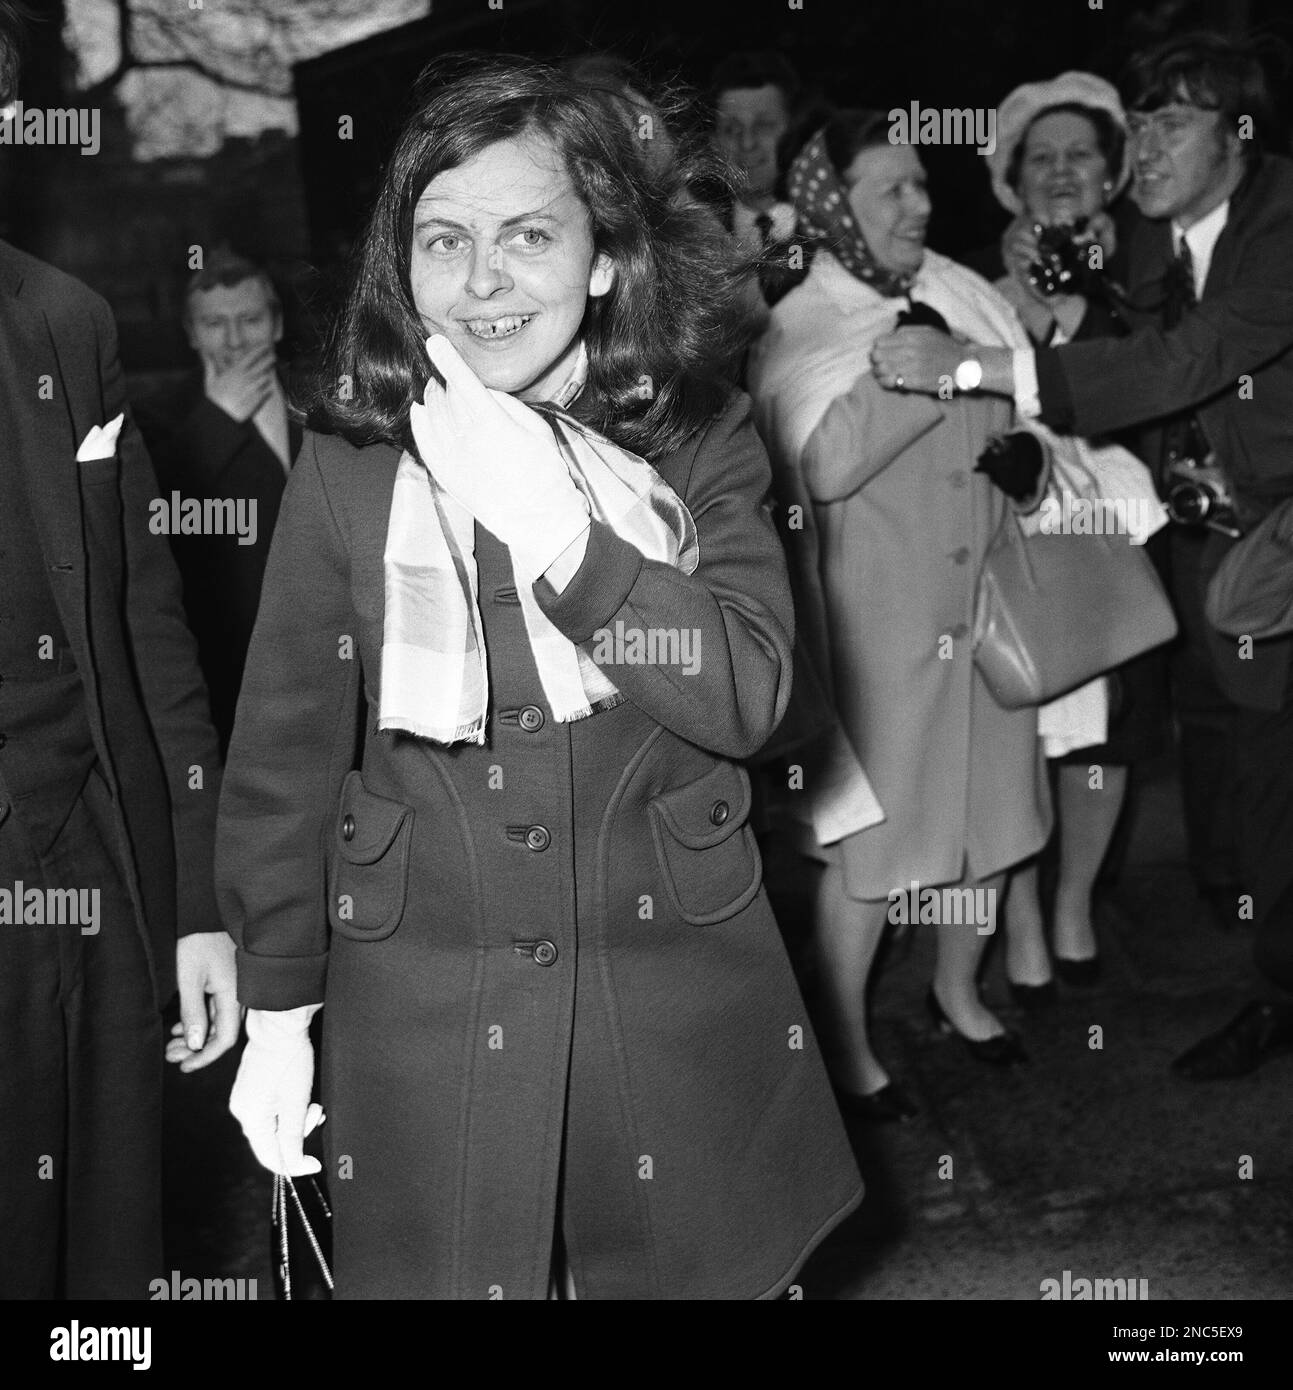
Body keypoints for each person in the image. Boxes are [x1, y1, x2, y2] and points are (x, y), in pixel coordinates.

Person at [217, 53, 863, 1300]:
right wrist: (279, 1010)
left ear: (607, 255)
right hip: (423, 991)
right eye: (443, 239)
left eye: (528, 234)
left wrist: (562, 531)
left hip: (664, 973)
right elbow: (287, 754)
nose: (481, 281)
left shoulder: (700, 433)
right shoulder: (350, 458)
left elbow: (748, 694)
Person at [874, 32, 1293, 1080]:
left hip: (1271, 544)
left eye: (1172, 122)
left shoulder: (1279, 226)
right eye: (1140, 121)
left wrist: (974, 364)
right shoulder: (1151, 240)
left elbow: (1177, 361)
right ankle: (1221, 914)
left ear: (1239, 135)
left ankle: (1275, 989)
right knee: (1221, 759)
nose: (1143, 146)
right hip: (1193, 546)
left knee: (1266, 770)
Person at [749, 111, 1055, 1120]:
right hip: (882, 638)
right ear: (837, 208)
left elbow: (1019, 396)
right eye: (893, 191)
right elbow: (821, 463)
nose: (919, 205)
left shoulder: (954, 292)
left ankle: (959, 991)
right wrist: (914, 372)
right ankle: (840, 1038)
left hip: (986, 616)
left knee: (993, 832)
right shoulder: (808, 319)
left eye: (923, 185)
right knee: (877, 859)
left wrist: (1026, 461)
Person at [0, 1, 236, 1299]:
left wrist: (195, 905)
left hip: (80, 877)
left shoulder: (63, 326)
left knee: (88, 1263)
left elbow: (152, 642)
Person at [984, 73, 1169, 996]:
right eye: (1041, 157)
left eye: (1079, 155)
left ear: (1111, 172)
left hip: (1119, 540)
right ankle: (1019, 923)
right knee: (1016, 727)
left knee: (1108, 731)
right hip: (1011, 540)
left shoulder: (1150, 270)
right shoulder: (974, 291)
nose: (1060, 171)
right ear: (1013, 176)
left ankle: (1073, 906)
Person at [135, 250, 300, 754]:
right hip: (230, 669)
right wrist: (218, 416)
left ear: (275, 325)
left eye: (250, 320)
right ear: (190, 334)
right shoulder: (160, 417)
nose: (233, 341)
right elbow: (155, 518)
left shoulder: (324, 398)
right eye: (214, 324)